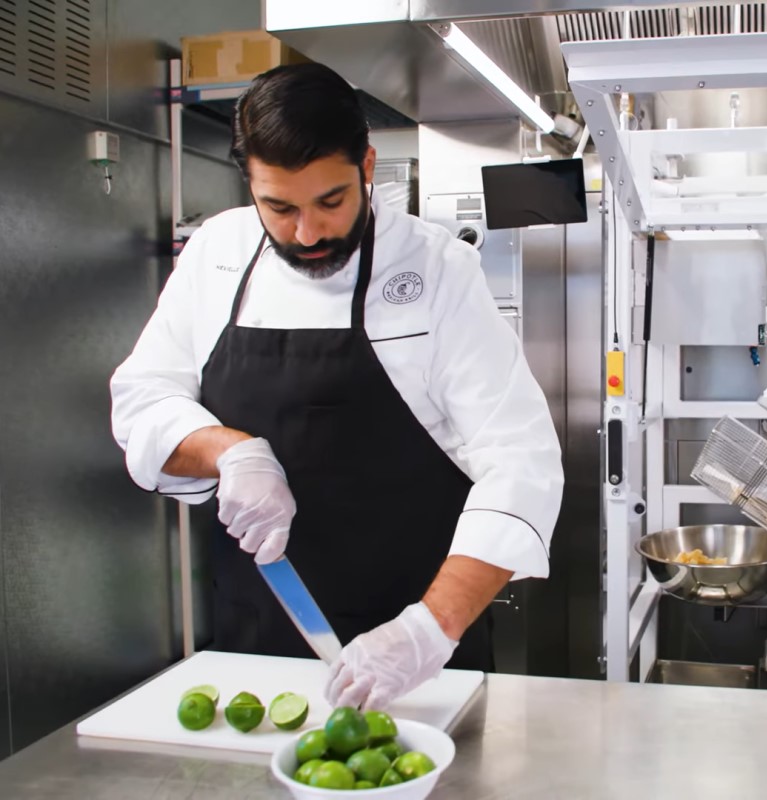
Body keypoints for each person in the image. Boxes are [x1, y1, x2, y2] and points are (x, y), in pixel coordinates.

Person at [110, 63, 563, 710]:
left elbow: (521, 464)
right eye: (280, 207)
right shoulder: (216, 254)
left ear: (368, 166)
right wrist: (227, 450)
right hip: (257, 658)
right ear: (251, 184)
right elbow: (141, 403)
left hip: (419, 657)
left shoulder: (438, 271)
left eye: (331, 201)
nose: (308, 233)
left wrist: (430, 629)